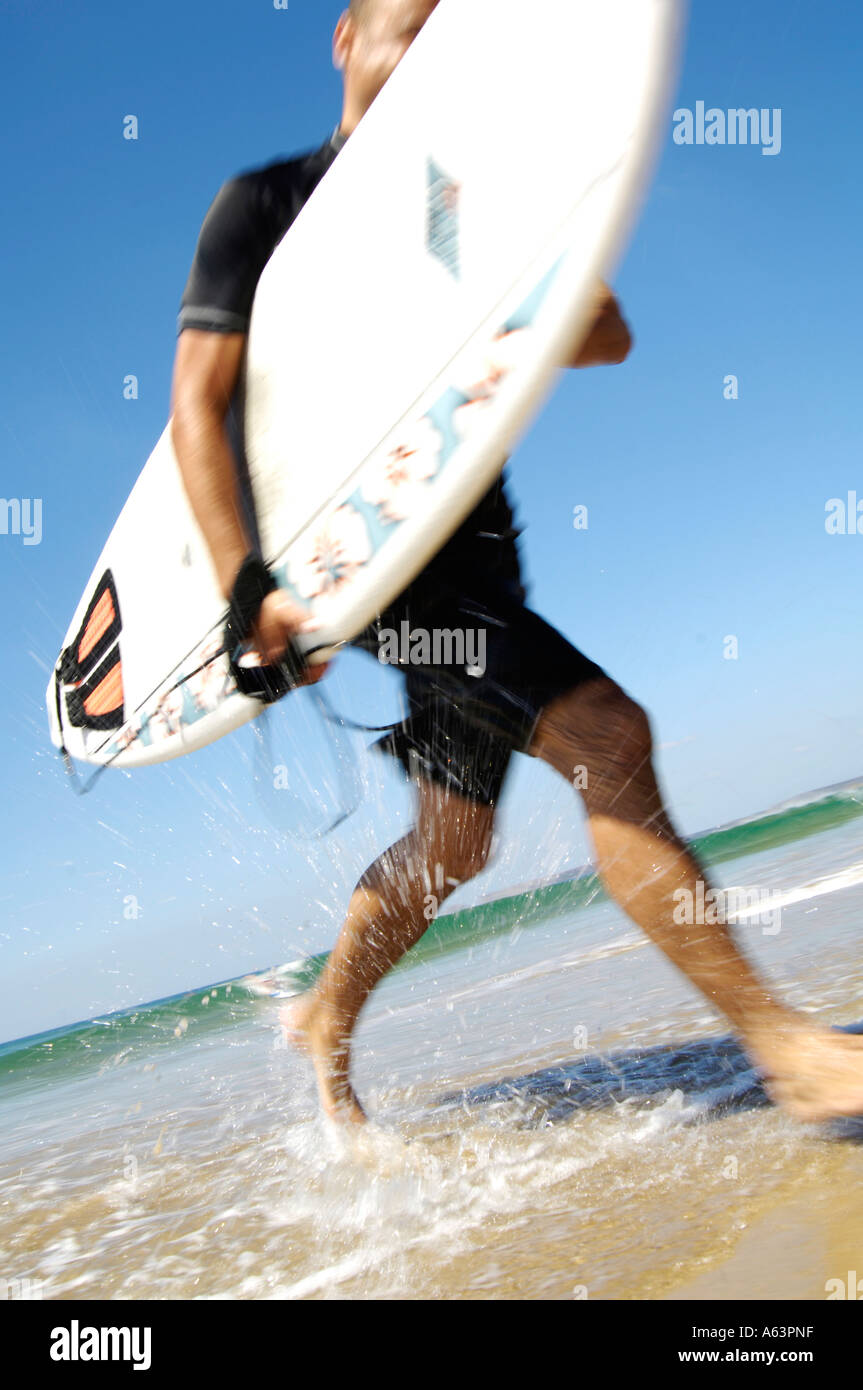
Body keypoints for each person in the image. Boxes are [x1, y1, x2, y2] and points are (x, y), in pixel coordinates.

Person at [171, 0, 863, 1127]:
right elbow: (197, 409)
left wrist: (534, 261)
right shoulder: (267, 206)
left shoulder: (446, 204)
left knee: (453, 842)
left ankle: (323, 1016)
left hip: (481, 554)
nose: (427, 37)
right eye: (406, 19)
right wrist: (242, 585)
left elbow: (602, 337)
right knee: (608, 735)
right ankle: (782, 1045)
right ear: (343, 36)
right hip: (372, 569)